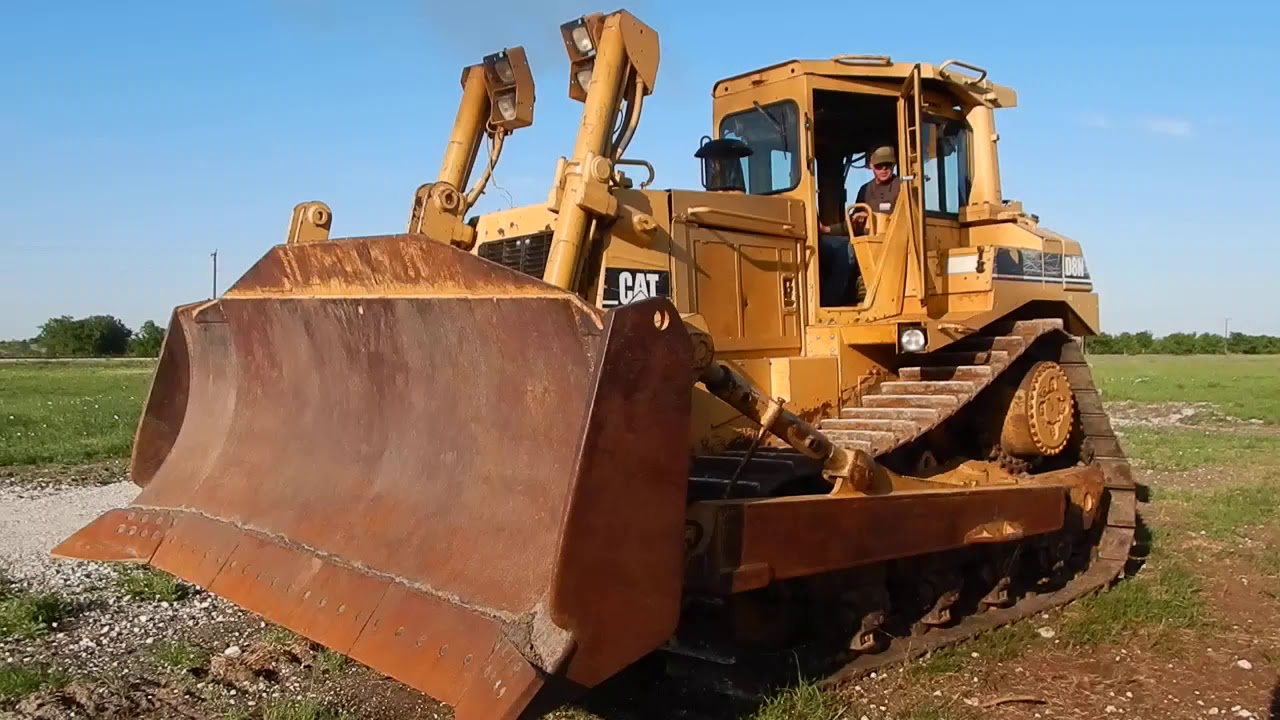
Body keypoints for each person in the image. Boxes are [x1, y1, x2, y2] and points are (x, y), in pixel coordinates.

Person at [818, 146, 900, 236]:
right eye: (879, 165)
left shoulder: (901, 187)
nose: (883, 169)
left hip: (894, 241)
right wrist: (826, 229)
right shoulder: (865, 189)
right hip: (868, 242)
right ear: (871, 165)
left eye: (887, 165)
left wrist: (869, 216)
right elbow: (853, 224)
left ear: (893, 165)